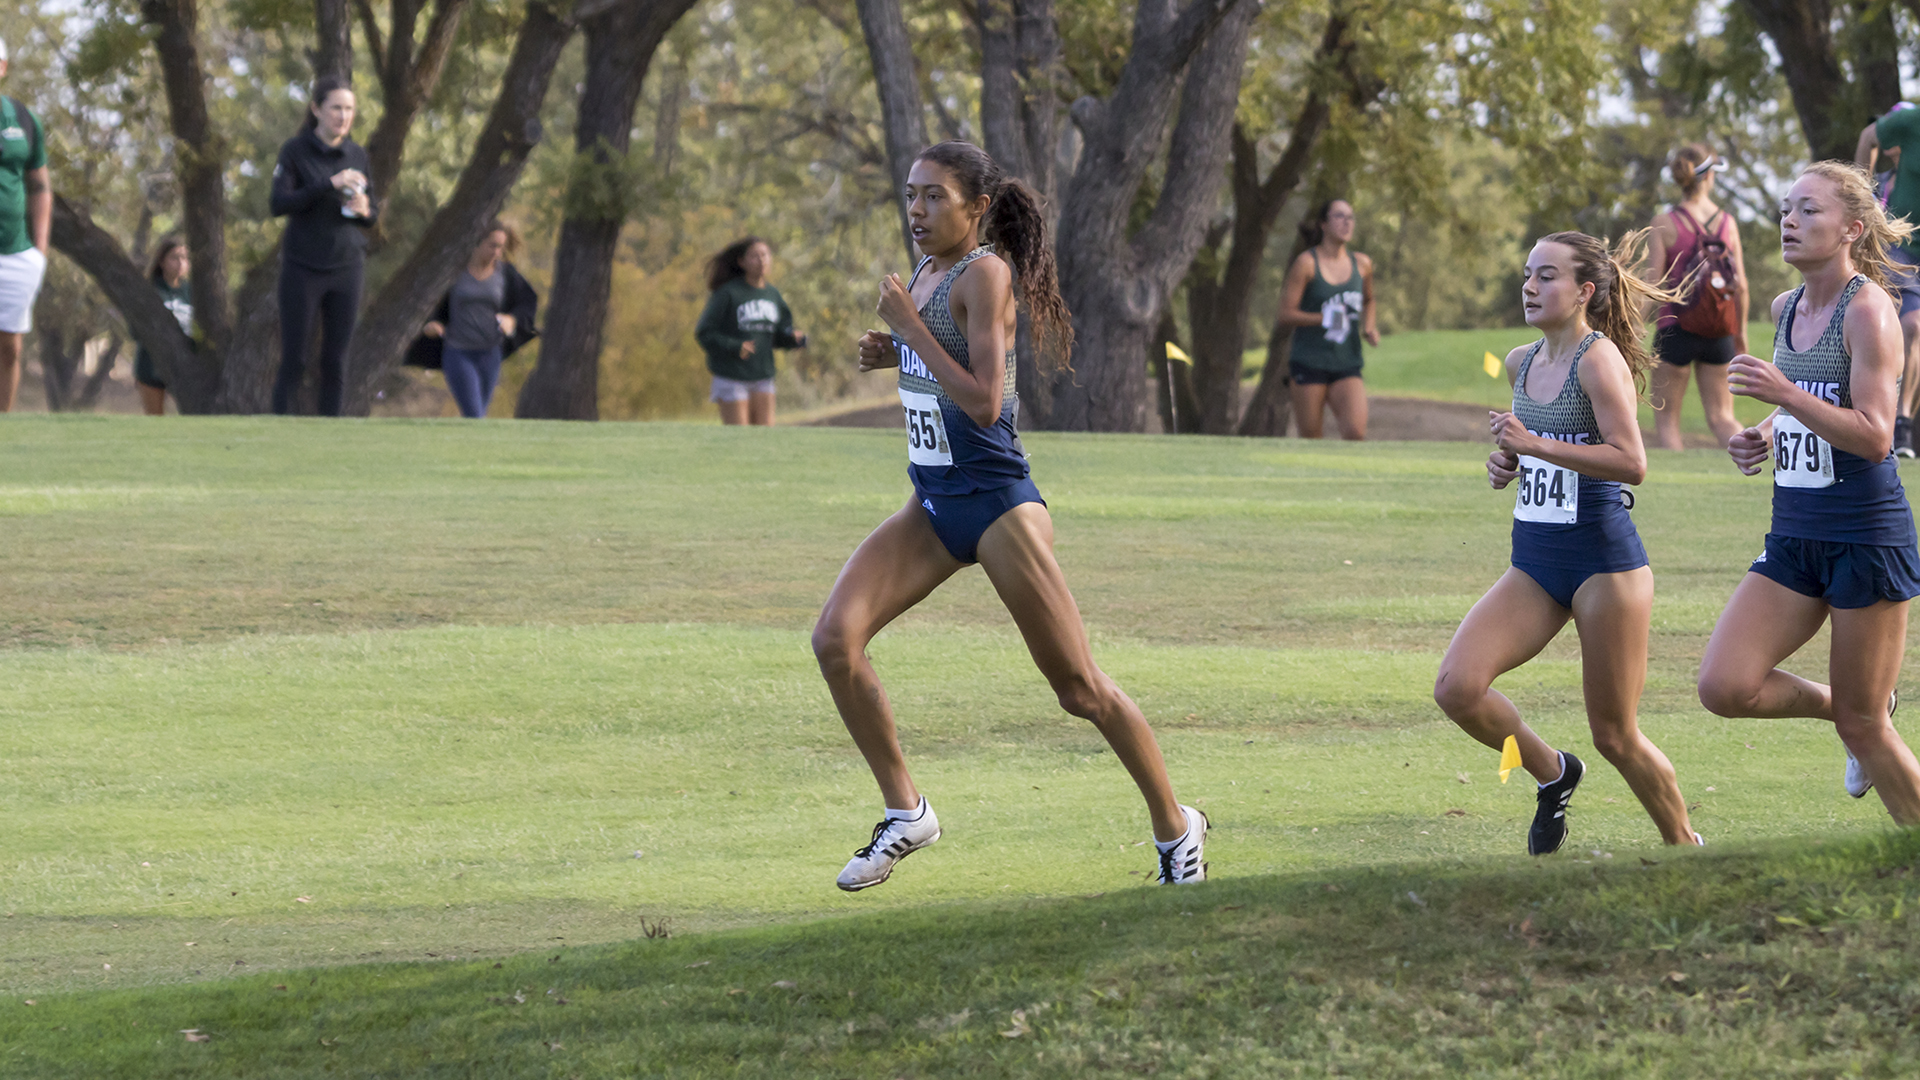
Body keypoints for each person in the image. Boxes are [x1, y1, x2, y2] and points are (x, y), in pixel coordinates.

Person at [812, 140, 1207, 891]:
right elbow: (943, 366)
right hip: (931, 504)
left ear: (978, 207)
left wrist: (908, 328)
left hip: (996, 506)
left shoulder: (985, 273)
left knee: (1078, 688)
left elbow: (987, 400)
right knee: (835, 638)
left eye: (934, 196)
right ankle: (907, 813)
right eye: (910, 195)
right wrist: (895, 353)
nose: (918, 210)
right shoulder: (927, 274)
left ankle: (1175, 825)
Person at [1434, 229, 1702, 854]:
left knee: (1615, 734)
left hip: (1603, 566)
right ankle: (1552, 772)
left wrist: (1532, 446)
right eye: (1528, 273)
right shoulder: (1521, 361)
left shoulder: (1597, 358)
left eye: (1546, 275)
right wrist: (1512, 464)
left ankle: (1685, 847)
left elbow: (1631, 461)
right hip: (1535, 563)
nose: (1530, 285)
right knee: (1458, 689)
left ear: (1583, 291)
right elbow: (1540, 456)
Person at [1697, 161, 1920, 825]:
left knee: (1863, 728)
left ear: (1852, 228)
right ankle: (1856, 705)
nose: (1790, 221)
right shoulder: (1785, 308)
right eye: (1786, 209)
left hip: (1864, 538)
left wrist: (1784, 396)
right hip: (1794, 535)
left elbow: (1877, 435)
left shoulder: (1871, 312)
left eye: (1808, 211)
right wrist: (1763, 432)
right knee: (1725, 685)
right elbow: (1810, 406)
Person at [270, 75, 375, 417]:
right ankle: (278, 434)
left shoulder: (357, 154)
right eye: (335, 108)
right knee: (295, 358)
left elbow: (368, 216)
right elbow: (279, 204)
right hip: (303, 267)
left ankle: (331, 436)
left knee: (336, 360)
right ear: (316, 109)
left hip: (347, 267)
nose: (342, 116)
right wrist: (329, 183)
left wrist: (366, 211)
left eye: (349, 109)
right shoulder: (295, 151)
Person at [1646, 144, 1748, 450]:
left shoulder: (1663, 223)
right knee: (1722, 417)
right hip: (1719, 330)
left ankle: (1675, 487)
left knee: (1667, 421)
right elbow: (1740, 284)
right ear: (1709, 175)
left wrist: (1628, 328)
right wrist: (1739, 333)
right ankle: (1751, 458)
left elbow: (1654, 285)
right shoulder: (1728, 223)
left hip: (1675, 329)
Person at [406, 221, 538, 418]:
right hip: (458, 352)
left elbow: (528, 301)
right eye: (492, 245)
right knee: (475, 415)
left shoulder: (505, 274)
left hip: (491, 353)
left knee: (478, 416)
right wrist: (431, 323)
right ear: (477, 243)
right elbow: (429, 301)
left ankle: (466, 447)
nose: (497, 252)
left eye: (501, 247)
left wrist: (513, 319)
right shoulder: (454, 272)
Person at [1275, 199, 1376, 440]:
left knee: (1355, 432)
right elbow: (1285, 314)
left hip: (1346, 361)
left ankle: (1352, 478)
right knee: (1312, 439)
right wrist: (1323, 318)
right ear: (1323, 224)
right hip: (1309, 362)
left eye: (1350, 217)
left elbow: (1369, 299)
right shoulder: (1306, 264)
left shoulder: (1362, 264)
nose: (1346, 222)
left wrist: (1369, 326)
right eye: (1339, 216)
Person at [1857, 104, 1920, 457]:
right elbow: (1869, 137)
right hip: (1903, 247)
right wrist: (1863, 197)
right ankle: (1901, 423)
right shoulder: (1912, 122)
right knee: (1912, 326)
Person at [695, 237, 806, 425]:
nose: (761, 260)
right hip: (732, 376)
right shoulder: (728, 293)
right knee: (740, 440)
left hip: (762, 375)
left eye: (764, 255)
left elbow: (776, 335)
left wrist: (792, 338)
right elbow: (704, 332)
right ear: (742, 262)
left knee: (765, 439)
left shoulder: (772, 294)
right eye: (754, 256)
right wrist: (735, 346)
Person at [0, 37, 50, 413]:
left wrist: (40, 251)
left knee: (11, 347)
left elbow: (40, 185)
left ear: (3, 67)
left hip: (16, 253)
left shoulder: (22, 118)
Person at [133, 236, 192, 416]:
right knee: (155, 420)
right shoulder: (150, 291)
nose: (180, 263)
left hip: (185, 367)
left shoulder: (193, 292)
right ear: (161, 261)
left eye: (184, 258)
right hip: (151, 367)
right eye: (175, 258)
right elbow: (136, 331)